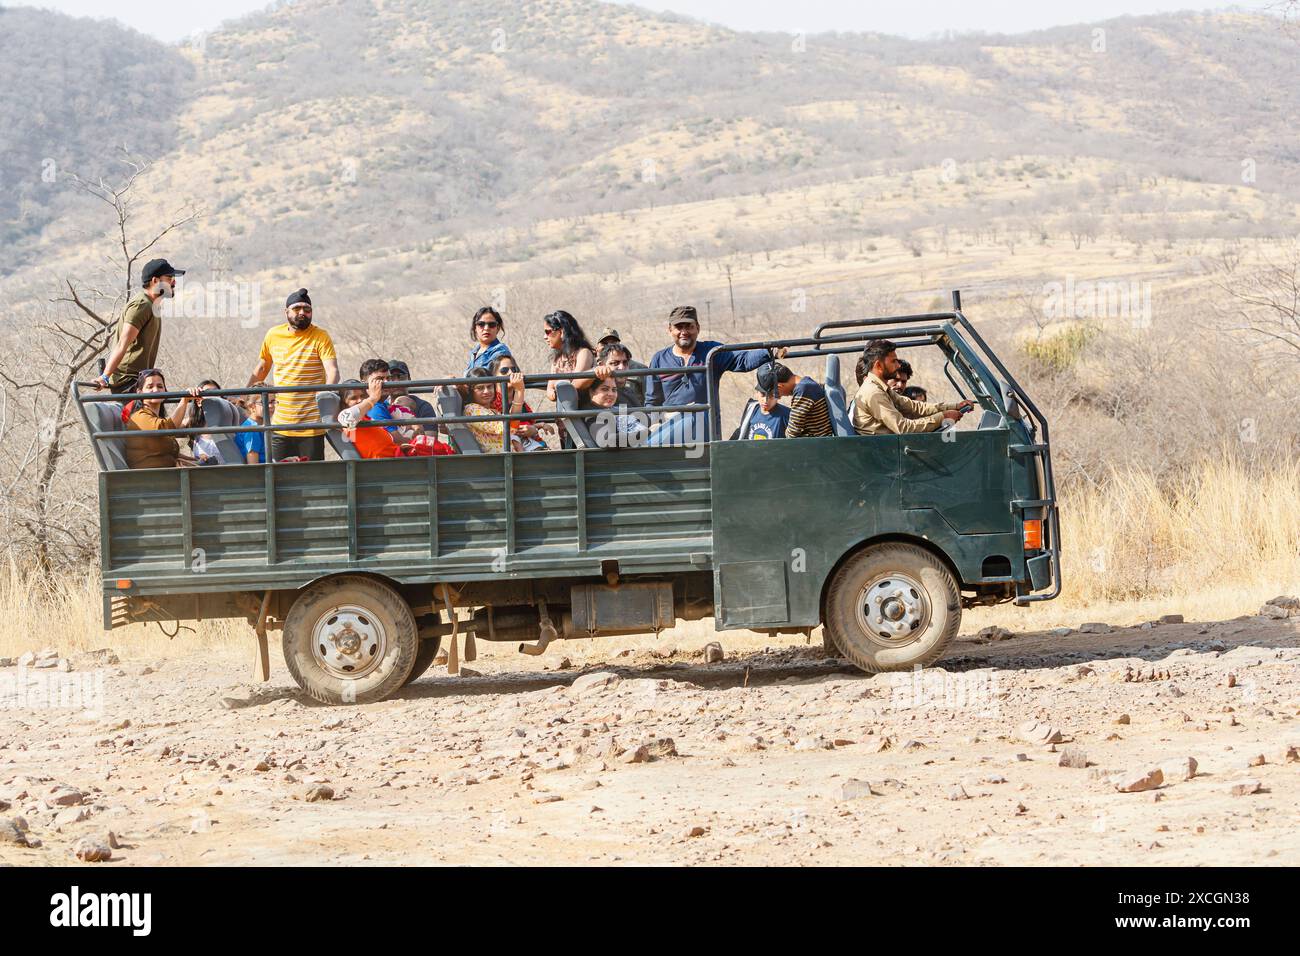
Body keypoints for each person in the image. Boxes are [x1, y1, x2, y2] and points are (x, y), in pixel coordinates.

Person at [644, 305, 786, 441]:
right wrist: (659, 422)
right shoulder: (659, 359)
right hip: (672, 432)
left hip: (707, 434)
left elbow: (742, 360)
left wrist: (770, 351)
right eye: (679, 327)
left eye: (689, 326)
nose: (684, 331)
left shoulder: (711, 352)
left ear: (698, 328)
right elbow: (652, 401)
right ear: (669, 330)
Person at [247, 288, 339, 462]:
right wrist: (244, 395)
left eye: (307, 309)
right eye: (297, 309)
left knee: (312, 477)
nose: (302, 313)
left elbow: (332, 370)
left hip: (312, 423)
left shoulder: (320, 336)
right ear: (286, 312)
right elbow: (262, 368)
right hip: (281, 423)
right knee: (278, 478)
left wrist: (327, 393)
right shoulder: (273, 334)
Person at [94, 258, 185, 394]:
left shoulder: (153, 306)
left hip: (141, 382)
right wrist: (105, 377)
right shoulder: (141, 305)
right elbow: (122, 344)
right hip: (128, 382)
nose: (174, 282)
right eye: (169, 278)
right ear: (155, 281)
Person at [851, 339, 972, 435]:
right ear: (878, 365)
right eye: (893, 361)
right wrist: (943, 417)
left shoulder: (880, 388)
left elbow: (913, 407)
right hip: (884, 454)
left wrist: (955, 406)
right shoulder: (873, 393)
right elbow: (903, 428)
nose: (898, 365)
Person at [339, 376, 453, 458]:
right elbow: (347, 419)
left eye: (363, 396)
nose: (360, 400)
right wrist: (373, 398)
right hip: (391, 465)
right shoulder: (347, 419)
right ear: (344, 404)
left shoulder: (366, 418)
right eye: (354, 398)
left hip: (399, 456)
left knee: (437, 447)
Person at [123, 368, 201, 469]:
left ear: (165, 390)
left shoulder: (155, 418)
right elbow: (169, 427)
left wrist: (197, 461)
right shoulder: (140, 416)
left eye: (160, 386)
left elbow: (171, 454)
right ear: (139, 392)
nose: (156, 390)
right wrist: (184, 400)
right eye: (150, 387)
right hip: (151, 476)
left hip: (166, 473)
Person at [753, 362, 832, 438]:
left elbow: (792, 433)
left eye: (774, 393)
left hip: (817, 444)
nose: (779, 397)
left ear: (779, 386)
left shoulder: (803, 390)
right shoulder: (807, 383)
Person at [489, 355, 547, 450]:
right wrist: (520, 390)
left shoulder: (522, 401)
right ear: (494, 376)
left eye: (514, 369)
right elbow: (507, 428)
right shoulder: (492, 400)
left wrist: (534, 429)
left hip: (531, 442)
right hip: (509, 446)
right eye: (504, 371)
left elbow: (530, 423)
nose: (511, 373)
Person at [464, 366, 528, 453]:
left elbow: (511, 428)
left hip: (507, 457)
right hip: (497, 461)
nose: (486, 391)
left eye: (489, 386)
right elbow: (509, 428)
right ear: (470, 391)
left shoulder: (493, 410)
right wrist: (519, 390)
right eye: (480, 388)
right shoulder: (471, 409)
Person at [585, 376, 648, 447]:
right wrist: (645, 433)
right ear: (591, 392)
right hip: (639, 449)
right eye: (605, 389)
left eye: (614, 390)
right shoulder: (593, 413)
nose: (611, 394)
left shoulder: (613, 408)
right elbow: (607, 440)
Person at [731, 366, 791, 440]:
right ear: (756, 393)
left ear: (778, 396)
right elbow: (739, 434)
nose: (765, 400)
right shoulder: (751, 410)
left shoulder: (787, 416)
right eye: (762, 394)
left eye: (771, 395)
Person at [595, 341, 645, 408]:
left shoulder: (629, 394)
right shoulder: (593, 392)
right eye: (615, 363)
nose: (622, 367)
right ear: (602, 365)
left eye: (625, 363)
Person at [386, 360, 436, 427]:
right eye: (391, 377)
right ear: (386, 380)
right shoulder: (381, 406)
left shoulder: (423, 407)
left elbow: (430, 436)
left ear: (409, 379)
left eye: (401, 376)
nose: (397, 381)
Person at [185, 379, 224, 465]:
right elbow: (169, 426)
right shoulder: (193, 423)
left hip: (229, 474)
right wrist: (184, 399)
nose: (213, 397)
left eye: (216, 393)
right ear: (198, 402)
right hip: (203, 475)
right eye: (208, 393)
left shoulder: (230, 419)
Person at [466, 307, 511, 372]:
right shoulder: (474, 352)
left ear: (497, 328)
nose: (486, 328)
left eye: (492, 324)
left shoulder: (501, 352)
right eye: (481, 324)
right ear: (475, 328)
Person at [233, 394, 270, 464]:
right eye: (265, 402)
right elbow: (254, 467)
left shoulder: (257, 426)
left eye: (273, 401)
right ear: (252, 407)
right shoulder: (253, 429)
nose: (270, 406)